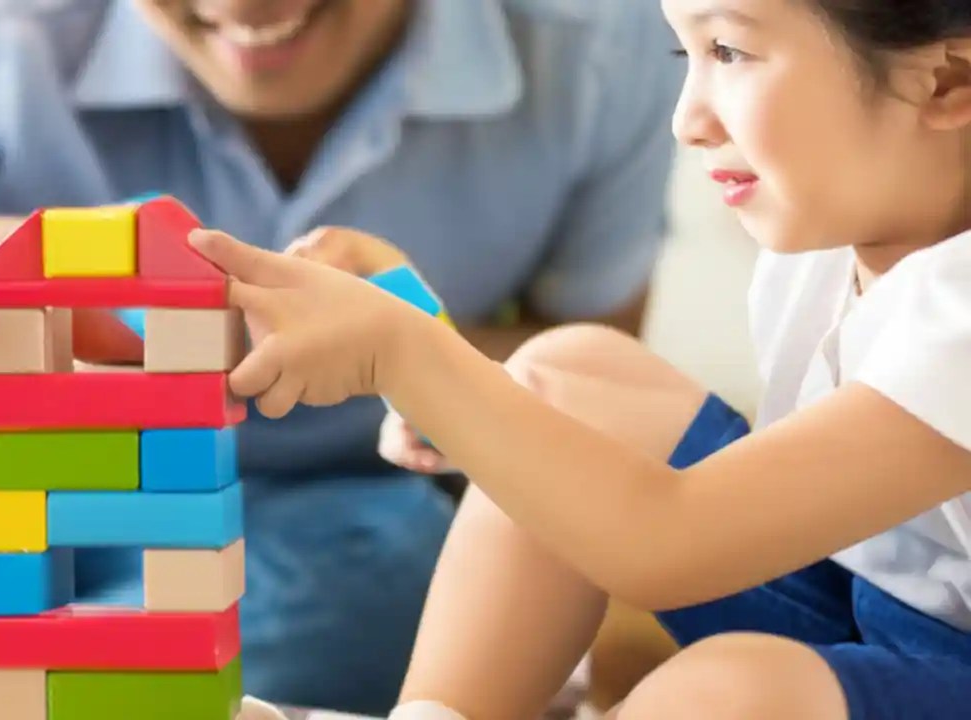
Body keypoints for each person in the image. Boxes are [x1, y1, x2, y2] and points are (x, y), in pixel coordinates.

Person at [0, 0, 684, 718]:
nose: (247, 7)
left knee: (358, 618)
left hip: (336, 494)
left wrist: (395, 345)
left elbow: (583, 386)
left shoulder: (597, 39)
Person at [183, 0, 971, 717]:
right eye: (684, 57)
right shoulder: (823, 251)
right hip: (873, 604)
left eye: (729, 52)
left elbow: (671, 544)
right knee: (567, 378)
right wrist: (428, 351)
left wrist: (403, 352)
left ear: (947, 83)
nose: (686, 120)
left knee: (730, 693)